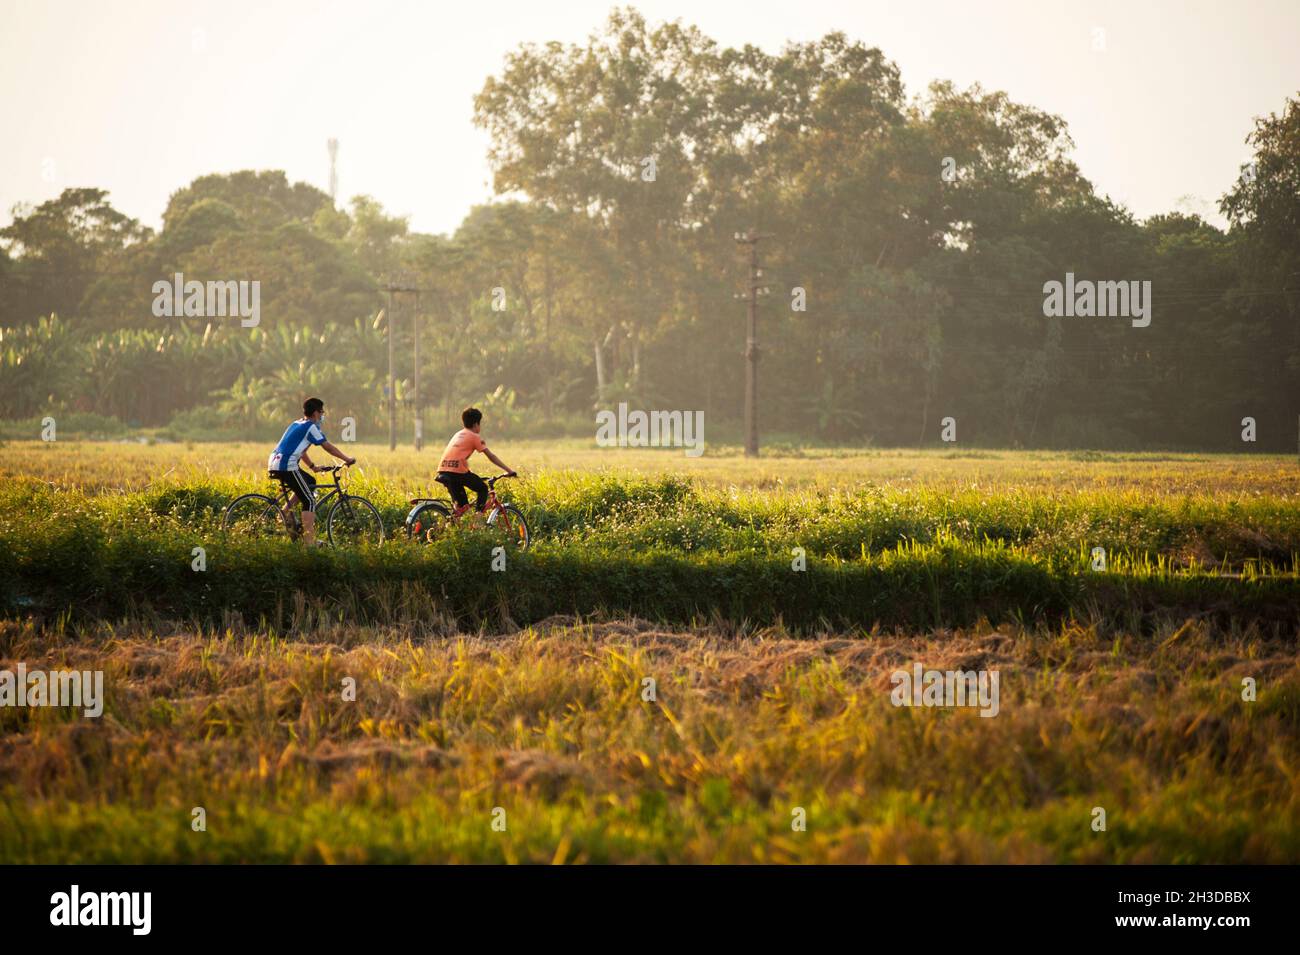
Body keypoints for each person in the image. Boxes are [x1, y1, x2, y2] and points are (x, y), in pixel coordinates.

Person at [267, 397, 355, 544]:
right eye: (321, 412)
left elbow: (301, 451)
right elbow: (328, 447)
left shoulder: (297, 423)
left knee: (310, 482)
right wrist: (347, 459)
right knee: (309, 500)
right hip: (286, 466)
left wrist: (313, 467)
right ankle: (309, 543)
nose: (322, 415)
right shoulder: (310, 427)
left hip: (275, 462)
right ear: (315, 413)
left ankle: (284, 512)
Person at [436, 406, 515, 515]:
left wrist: (469, 472)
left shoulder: (458, 434)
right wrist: (509, 470)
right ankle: (478, 520)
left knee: (462, 509)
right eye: (480, 423)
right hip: (457, 473)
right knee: (483, 488)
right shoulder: (474, 436)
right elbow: (491, 456)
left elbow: (457, 455)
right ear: (476, 424)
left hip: (443, 470)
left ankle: (452, 525)